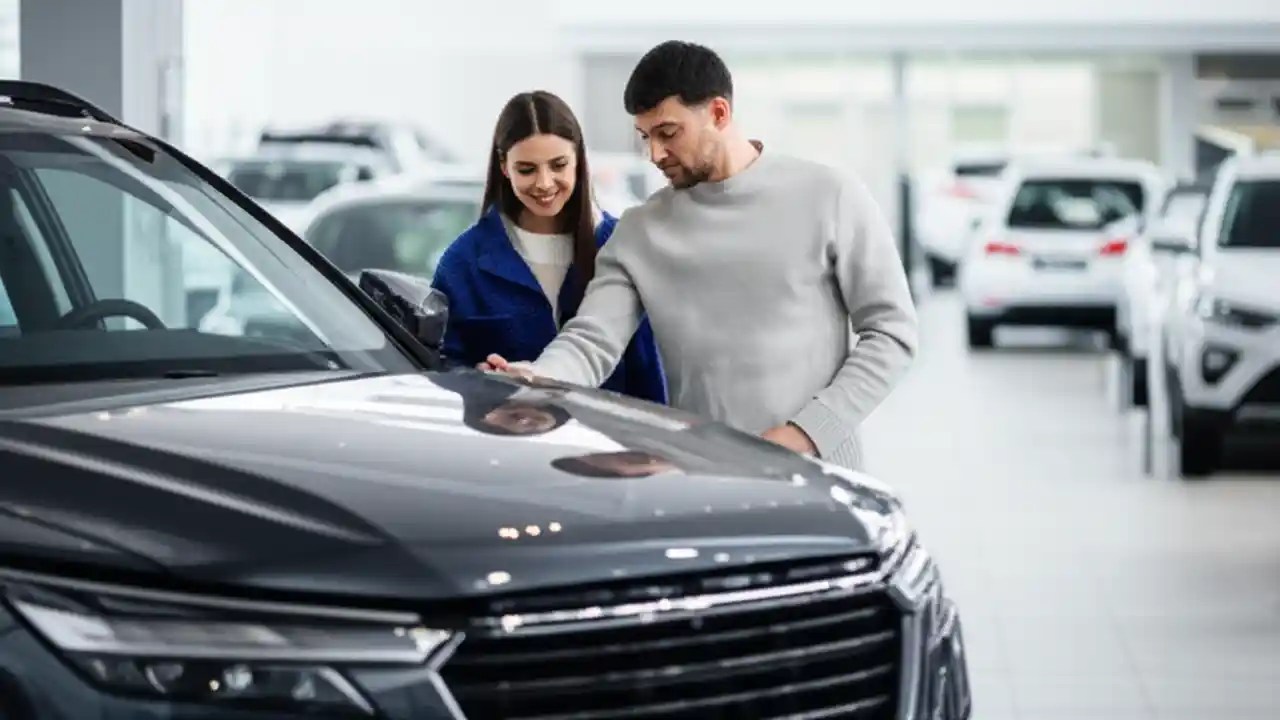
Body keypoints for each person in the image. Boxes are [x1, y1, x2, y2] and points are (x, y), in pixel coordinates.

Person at [482, 41, 918, 471]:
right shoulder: (639, 232)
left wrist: (806, 434)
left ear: (719, 113)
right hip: (702, 486)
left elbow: (891, 333)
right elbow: (591, 340)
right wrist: (534, 378)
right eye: (645, 137)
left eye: (668, 133)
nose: (655, 154)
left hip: (821, 480)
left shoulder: (829, 196)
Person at [431, 90, 667, 404]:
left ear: (579, 161)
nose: (544, 183)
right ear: (504, 167)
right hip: (510, 444)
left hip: (609, 447)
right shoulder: (463, 263)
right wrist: (479, 376)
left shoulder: (618, 246)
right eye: (527, 170)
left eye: (558, 165)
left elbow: (649, 372)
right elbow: (441, 372)